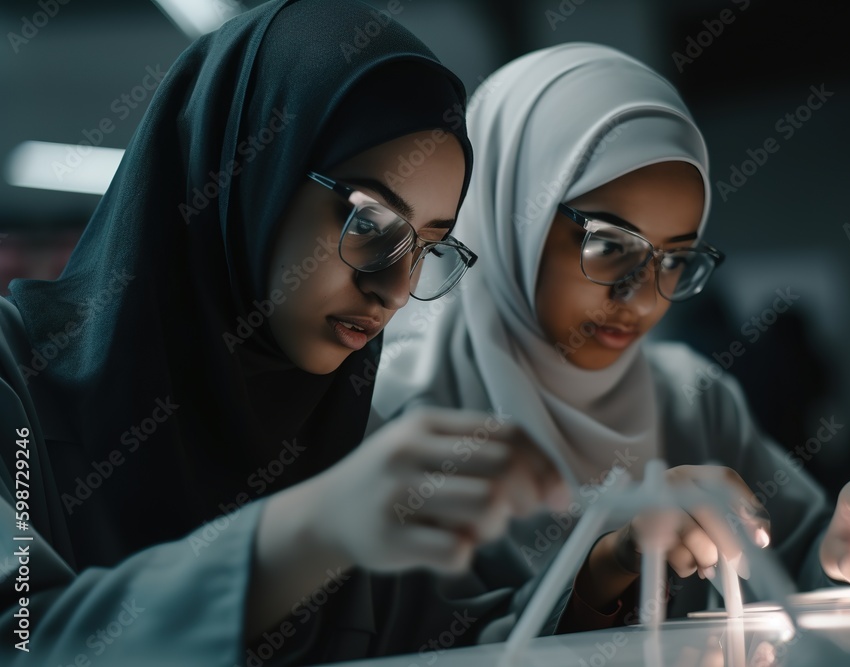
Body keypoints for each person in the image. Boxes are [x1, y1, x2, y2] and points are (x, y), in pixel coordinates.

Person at [0, 1, 568, 664]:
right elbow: (24, 641)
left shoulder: (354, 432)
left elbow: (463, 641)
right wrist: (307, 531)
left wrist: (604, 576)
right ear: (243, 173)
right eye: (371, 223)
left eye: (427, 248)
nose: (392, 290)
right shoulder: (16, 393)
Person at [371, 42, 850, 630]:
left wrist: (845, 552)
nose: (642, 298)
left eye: (675, 261)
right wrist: (611, 561)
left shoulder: (691, 399)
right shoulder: (399, 421)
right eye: (611, 247)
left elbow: (799, 563)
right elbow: (418, 648)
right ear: (510, 215)